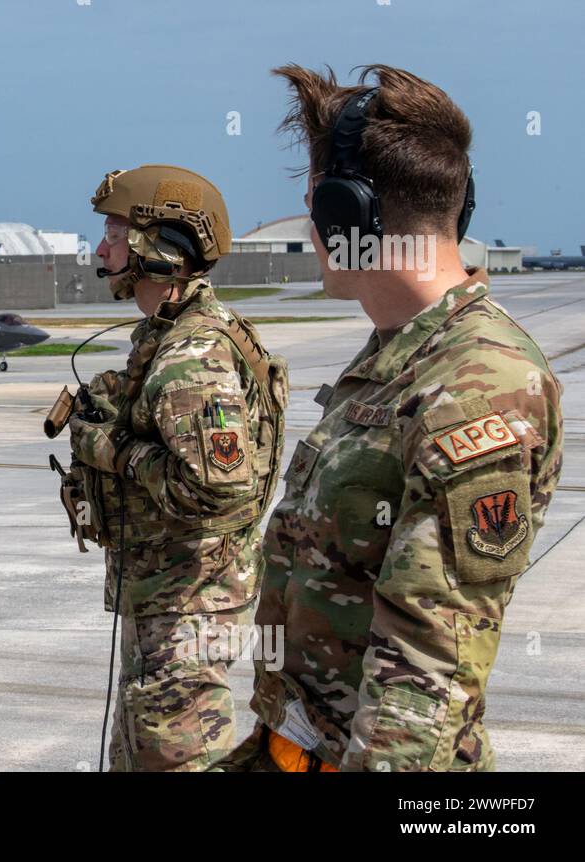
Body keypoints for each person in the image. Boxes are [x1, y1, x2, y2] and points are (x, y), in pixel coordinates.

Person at [223, 64, 563, 772]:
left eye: (315, 207)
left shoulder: (481, 386)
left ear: (343, 216)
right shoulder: (393, 359)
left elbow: (426, 671)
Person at [61, 164, 287, 770]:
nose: (100, 247)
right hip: (173, 596)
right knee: (143, 753)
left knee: (174, 754)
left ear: (153, 247)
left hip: (187, 602)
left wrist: (108, 447)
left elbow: (214, 491)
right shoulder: (172, 336)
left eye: (113, 233)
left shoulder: (190, 354)